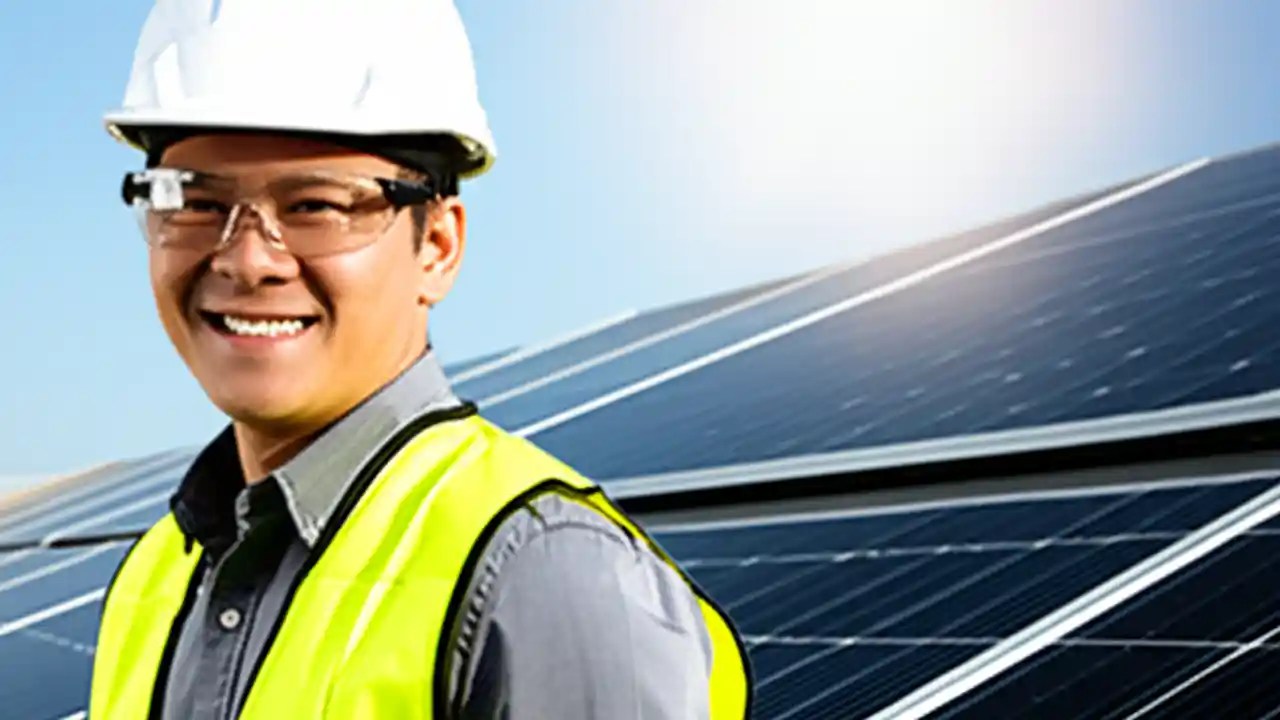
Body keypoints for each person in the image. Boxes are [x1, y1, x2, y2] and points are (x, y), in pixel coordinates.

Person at [87, 1, 751, 718]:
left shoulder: (547, 574)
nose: (247, 260)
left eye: (316, 205)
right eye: (193, 203)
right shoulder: (155, 576)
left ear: (437, 244)